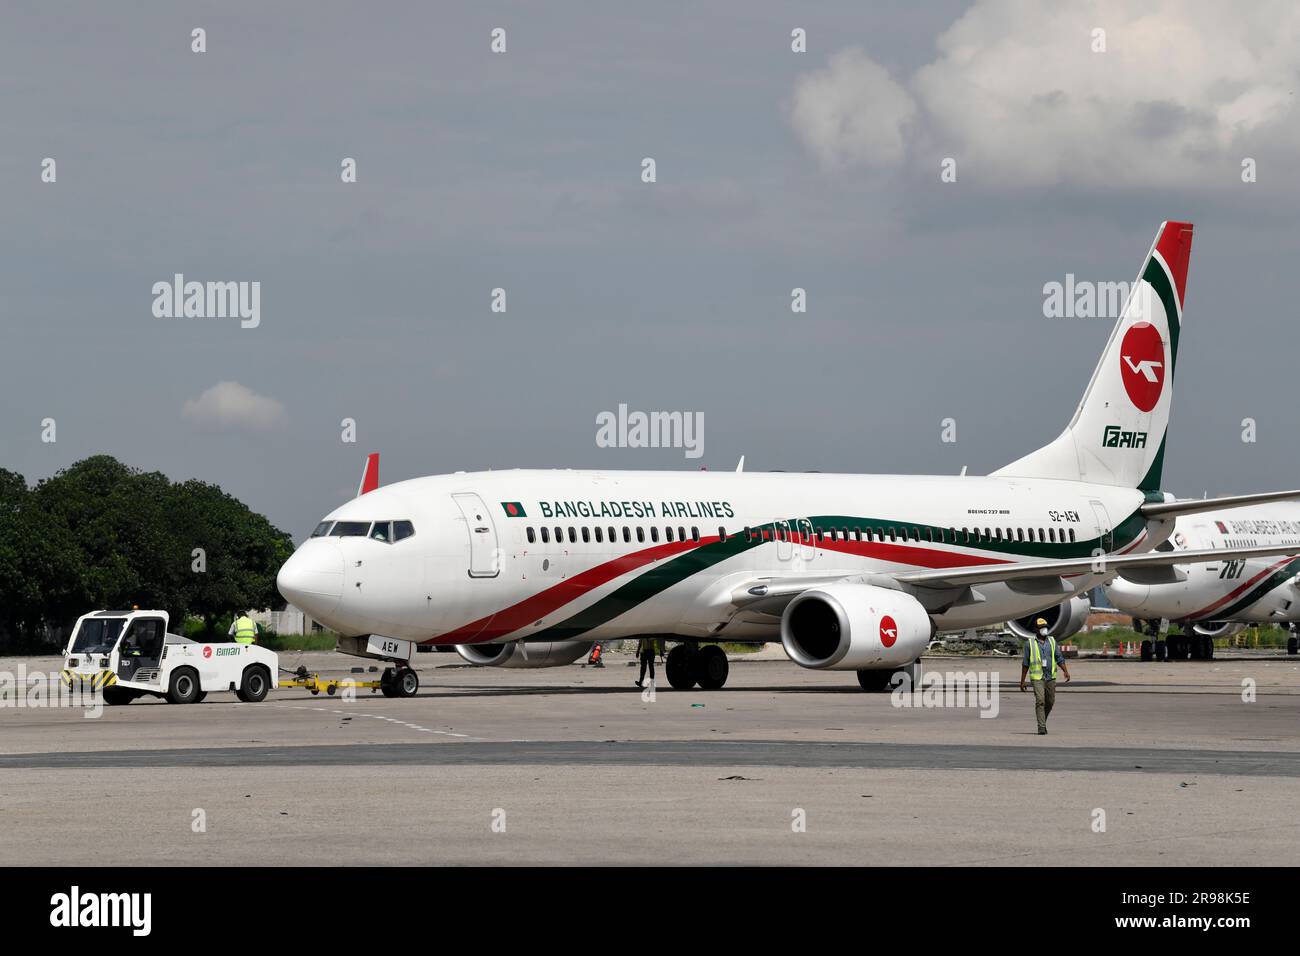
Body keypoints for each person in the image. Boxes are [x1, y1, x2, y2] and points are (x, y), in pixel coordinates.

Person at [1019, 617, 1071, 734]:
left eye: (1045, 627)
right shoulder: (1029, 644)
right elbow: (1025, 663)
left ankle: (1043, 721)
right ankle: (1041, 727)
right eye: (1041, 628)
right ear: (1036, 630)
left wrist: (1065, 671)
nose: (1044, 629)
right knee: (1040, 701)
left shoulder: (1052, 641)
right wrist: (1022, 681)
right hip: (1037, 678)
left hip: (1050, 677)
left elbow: (1059, 657)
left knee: (1050, 701)